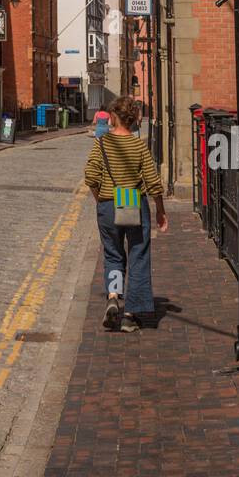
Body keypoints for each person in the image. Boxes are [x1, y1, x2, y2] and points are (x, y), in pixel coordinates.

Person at [84, 94, 168, 333]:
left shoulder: (101, 143)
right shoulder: (139, 146)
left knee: (113, 254)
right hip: (133, 202)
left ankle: (113, 297)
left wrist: (99, 198)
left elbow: (90, 176)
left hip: (108, 204)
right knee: (138, 255)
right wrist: (160, 210)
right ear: (132, 120)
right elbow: (153, 181)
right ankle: (130, 314)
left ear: (112, 117)